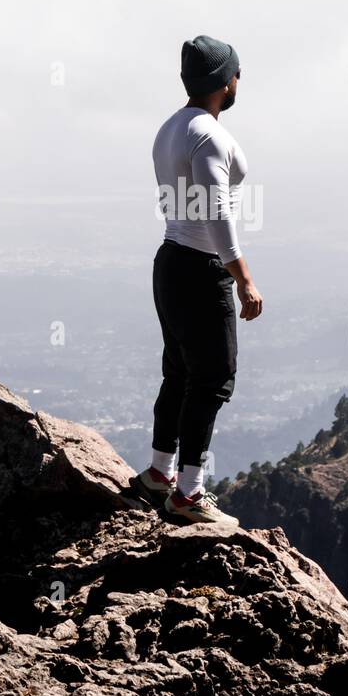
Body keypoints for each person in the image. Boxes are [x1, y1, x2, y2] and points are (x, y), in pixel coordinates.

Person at [135, 35, 263, 524]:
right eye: (236, 73)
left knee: (180, 372)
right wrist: (244, 278)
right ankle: (188, 494)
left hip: (170, 261)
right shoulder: (207, 135)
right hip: (199, 268)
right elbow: (217, 210)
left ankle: (159, 474)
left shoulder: (171, 127)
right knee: (211, 379)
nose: (238, 80)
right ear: (224, 82)